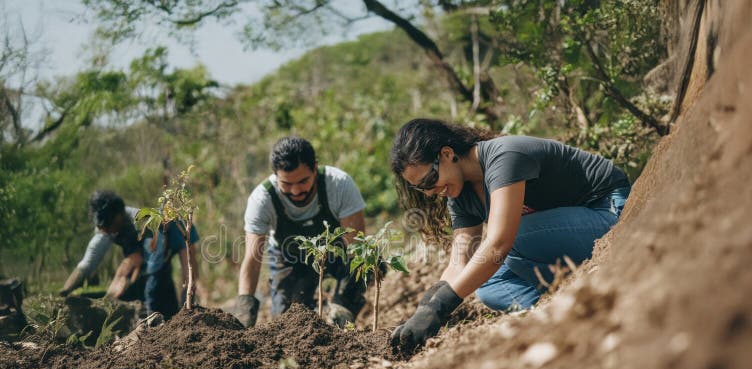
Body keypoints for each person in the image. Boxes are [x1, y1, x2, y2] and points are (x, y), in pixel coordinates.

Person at [389, 118, 632, 352]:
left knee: (513, 237)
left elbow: (499, 243)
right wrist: (425, 309)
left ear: (446, 154)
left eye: (430, 180)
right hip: (566, 231)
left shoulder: (503, 157)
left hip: (608, 211)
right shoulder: (459, 195)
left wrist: (442, 306)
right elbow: (458, 263)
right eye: (422, 188)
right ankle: (560, 316)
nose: (431, 192)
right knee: (488, 285)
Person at [236, 136, 369, 328]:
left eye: (303, 181)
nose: (296, 191)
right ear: (275, 175)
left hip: (337, 254)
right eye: (287, 184)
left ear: (315, 168)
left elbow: (356, 248)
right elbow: (252, 260)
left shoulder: (339, 184)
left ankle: (340, 310)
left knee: (363, 272)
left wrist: (343, 300)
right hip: (290, 259)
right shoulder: (262, 200)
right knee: (287, 323)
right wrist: (245, 312)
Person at [59, 190, 204, 318]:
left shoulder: (142, 222)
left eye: (111, 226)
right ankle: (165, 317)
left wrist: (184, 305)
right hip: (150, 250)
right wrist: (65, 292)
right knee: (144, 284)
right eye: (104, 228)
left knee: (169, 281)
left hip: (174, 233)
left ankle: (184, 314)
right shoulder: (105, 228)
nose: (108, 230)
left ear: (119, 216)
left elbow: (151, 264)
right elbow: (87, 263)